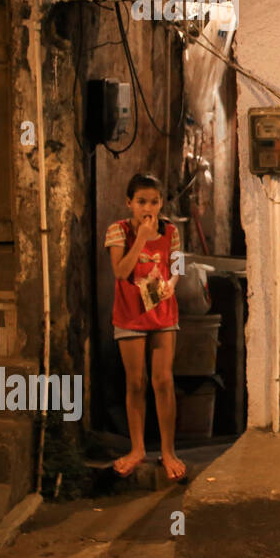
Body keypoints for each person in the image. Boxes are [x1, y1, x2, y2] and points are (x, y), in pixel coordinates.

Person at [105, 173, 186, 481]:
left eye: (154, 201)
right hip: (129, 315)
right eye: (141, 202)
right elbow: (120, 271)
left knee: (163, 381)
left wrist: (171, 284)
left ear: (161, 203)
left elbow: (177, 267)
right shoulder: (118, 231)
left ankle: (168, 451)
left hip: (163, 313)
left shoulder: (171, 231)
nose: (148, 208)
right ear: (129, 203)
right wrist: (140, 237)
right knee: (136, 382)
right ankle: (137, 449)